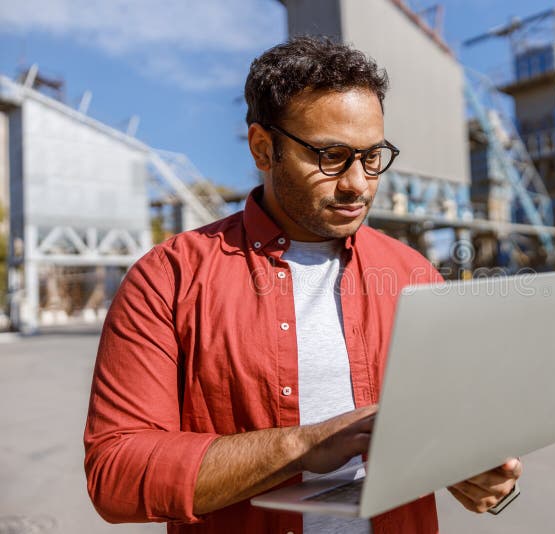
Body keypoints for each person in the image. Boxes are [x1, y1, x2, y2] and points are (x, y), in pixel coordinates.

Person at [84, 37, 522, 534]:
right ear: (262, 149)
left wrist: (478, 474)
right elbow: (115, 474)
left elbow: (451, 425)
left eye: (372, 156)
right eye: (332, 157)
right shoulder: (168, 279)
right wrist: (304, 446)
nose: (358, 183)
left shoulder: (413, 272)